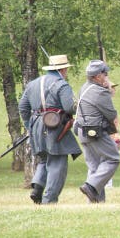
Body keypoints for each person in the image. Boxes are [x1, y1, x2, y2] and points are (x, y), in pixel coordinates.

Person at [19, 54, 81, 204]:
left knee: (44, 159)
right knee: (57, 164)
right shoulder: (62, 85)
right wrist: (78, 104)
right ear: (63, 69)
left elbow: (23, 107)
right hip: (55, 127)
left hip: (36, 127)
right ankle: (49, 200)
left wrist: (29, 126)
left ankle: (38, 189)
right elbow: (70, 107)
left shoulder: (32, 84)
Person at [76, 60, 120, 203]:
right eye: (105, 73)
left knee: (94, 167)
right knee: (113, 159)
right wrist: (109, 91)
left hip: (83, 131)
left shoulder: (84, 88)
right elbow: (111, 114)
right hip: (96, 132)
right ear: (97, 76)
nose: (107, 76)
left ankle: (96, 202)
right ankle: (90, 186)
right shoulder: (100, 92)